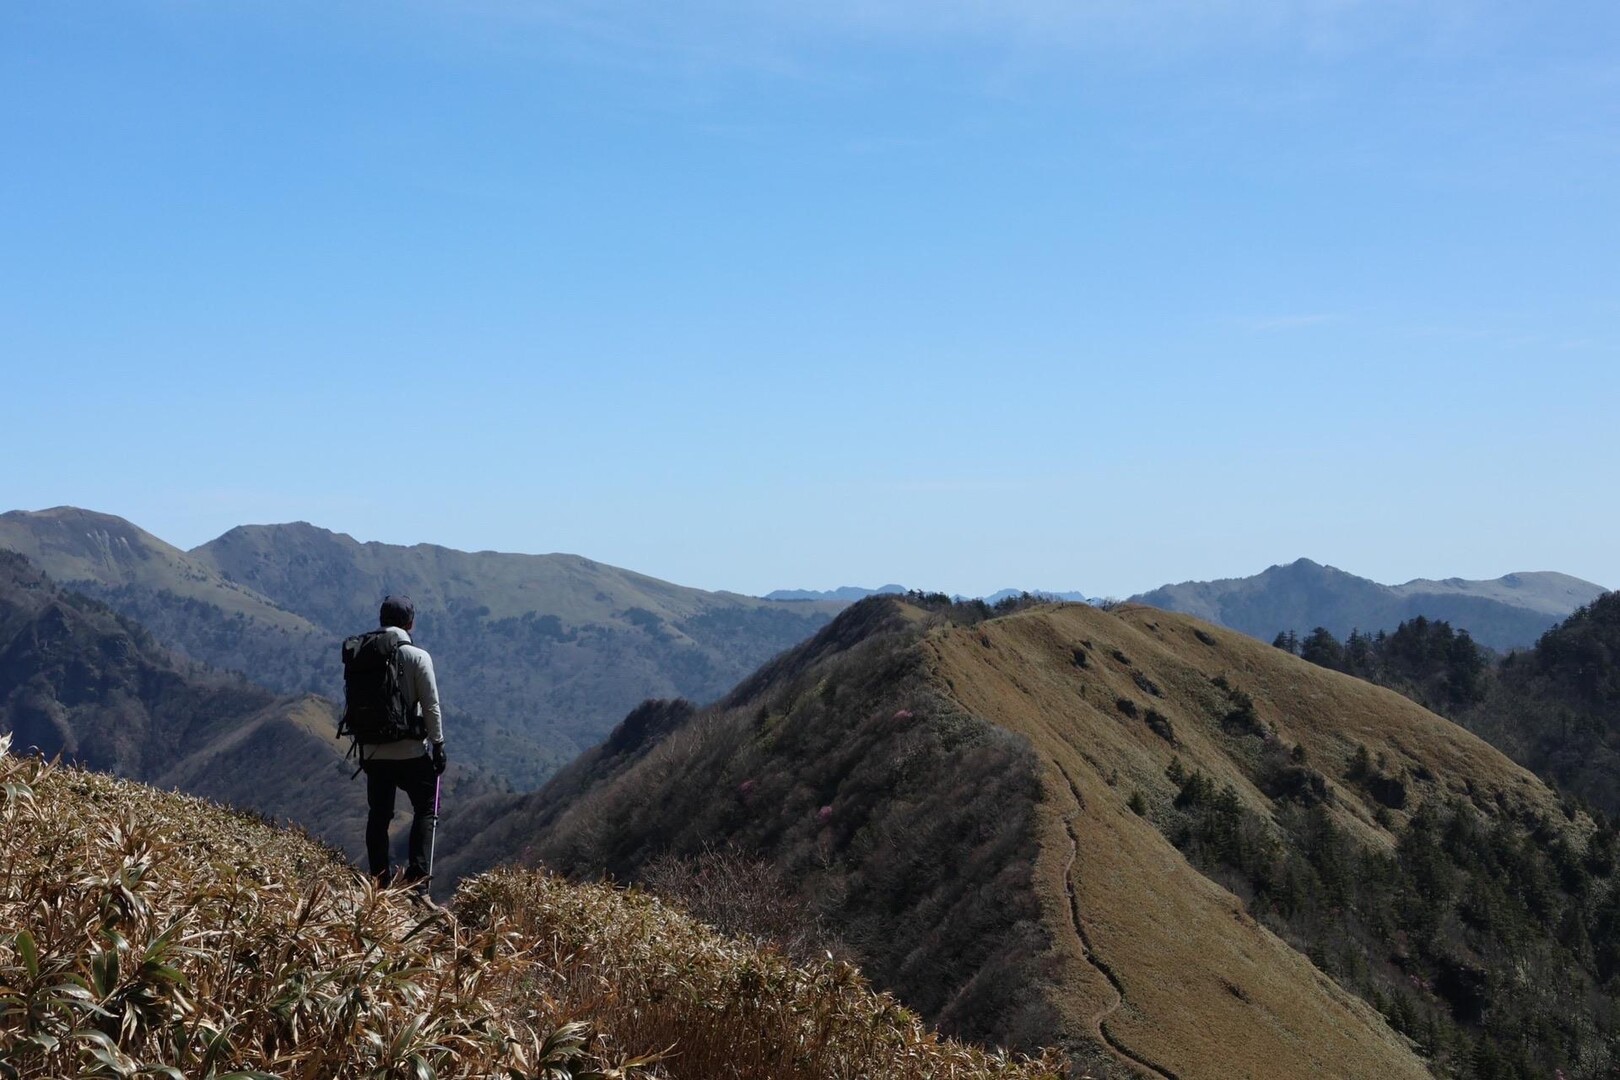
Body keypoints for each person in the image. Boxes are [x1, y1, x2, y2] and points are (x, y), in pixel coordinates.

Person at [360, 594, 446, 890]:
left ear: (381, 619)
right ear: (410, 622)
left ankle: (378, 880)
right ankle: (417, 878)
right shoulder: (417, 656)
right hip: (409, 749)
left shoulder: (364, 653)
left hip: (372, 749)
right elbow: (431, 705)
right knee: (425, 807)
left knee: (379, 814)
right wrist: (438, 744)